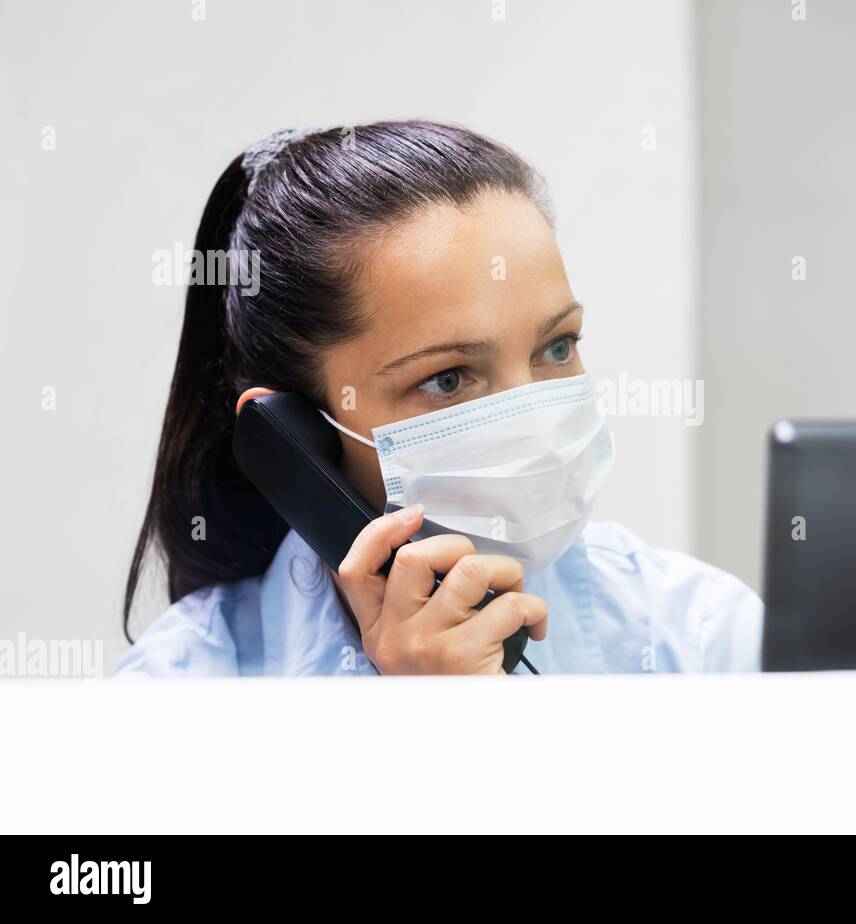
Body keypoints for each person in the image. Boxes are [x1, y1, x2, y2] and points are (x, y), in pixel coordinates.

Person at [118, 121, 763, 676]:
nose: (537, 427)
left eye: (557, 346)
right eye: (449, 379)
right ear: (292, 439)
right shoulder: (177, 691)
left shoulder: (702, 635)